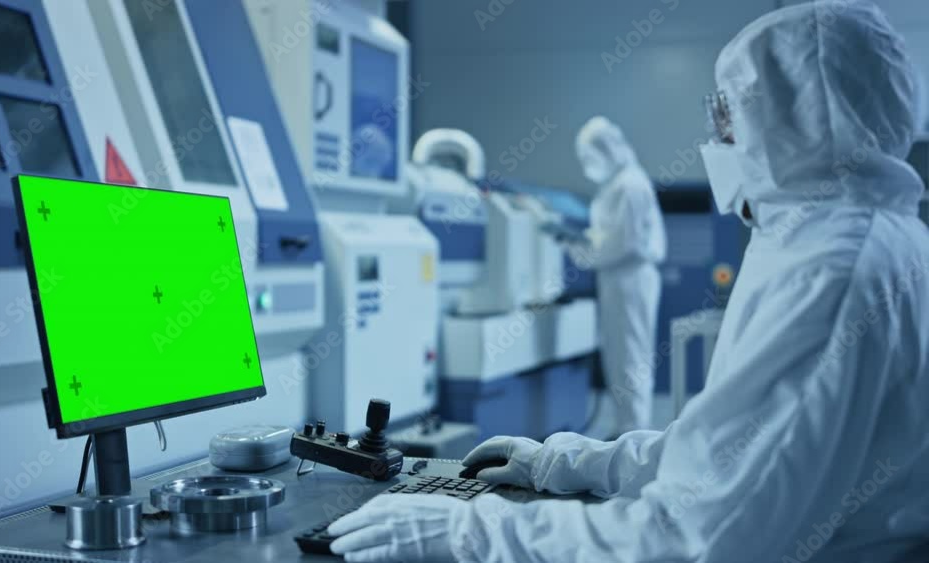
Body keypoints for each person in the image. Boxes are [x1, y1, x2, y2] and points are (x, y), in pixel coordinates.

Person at [327, 2, 929, 561]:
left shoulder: (831, 270)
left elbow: (695, 539)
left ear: (793, 113)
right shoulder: (844, 237)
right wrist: (575, 462)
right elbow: (723, 452)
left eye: (732, 111)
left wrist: (473, 532)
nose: (719, 135)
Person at [571, 115, 667, 437]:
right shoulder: (615, 185)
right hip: (615, 277)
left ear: (607, 149)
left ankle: (635, 429)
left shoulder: (630, 185)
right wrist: (583, 244)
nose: (588, 164)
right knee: (618, 354)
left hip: (631, 277)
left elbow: (626, 242)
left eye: (590, 156)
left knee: (631, 354)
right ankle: (626, 425)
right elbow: (609, 235)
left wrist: (584, 253)